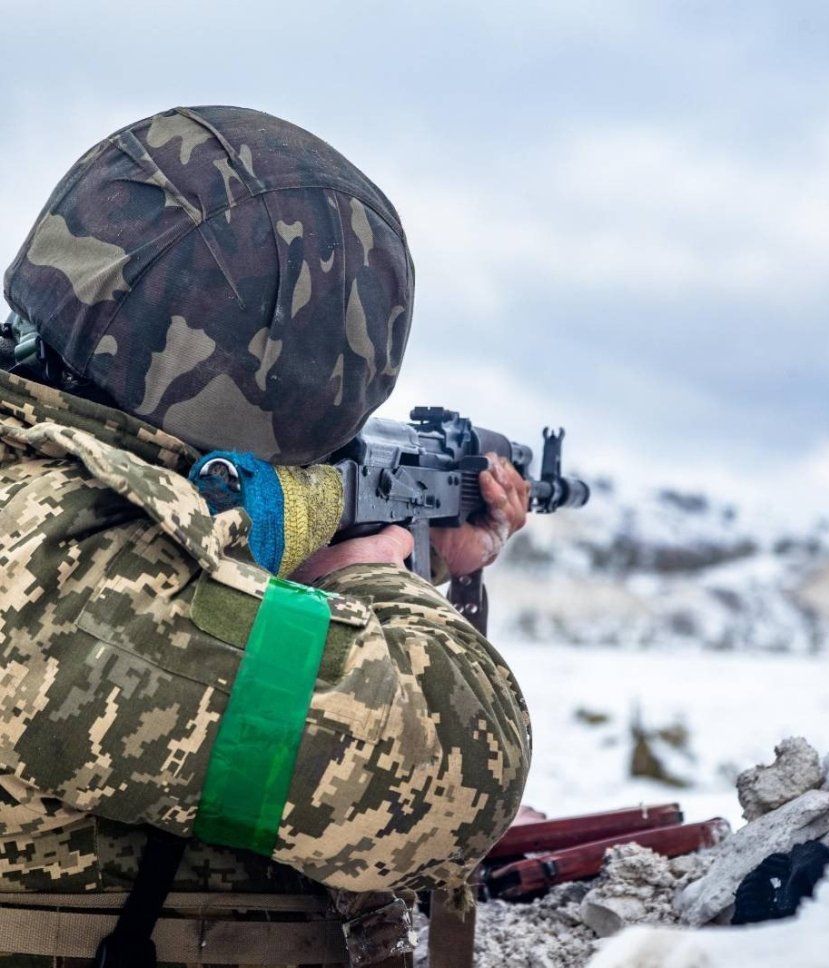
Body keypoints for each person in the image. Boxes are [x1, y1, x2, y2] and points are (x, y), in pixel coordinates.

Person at [0, 105, 531, 964]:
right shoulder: (58, 565)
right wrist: (371, 571)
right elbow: (458, 777)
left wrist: (432, 557)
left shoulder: (43, 486)